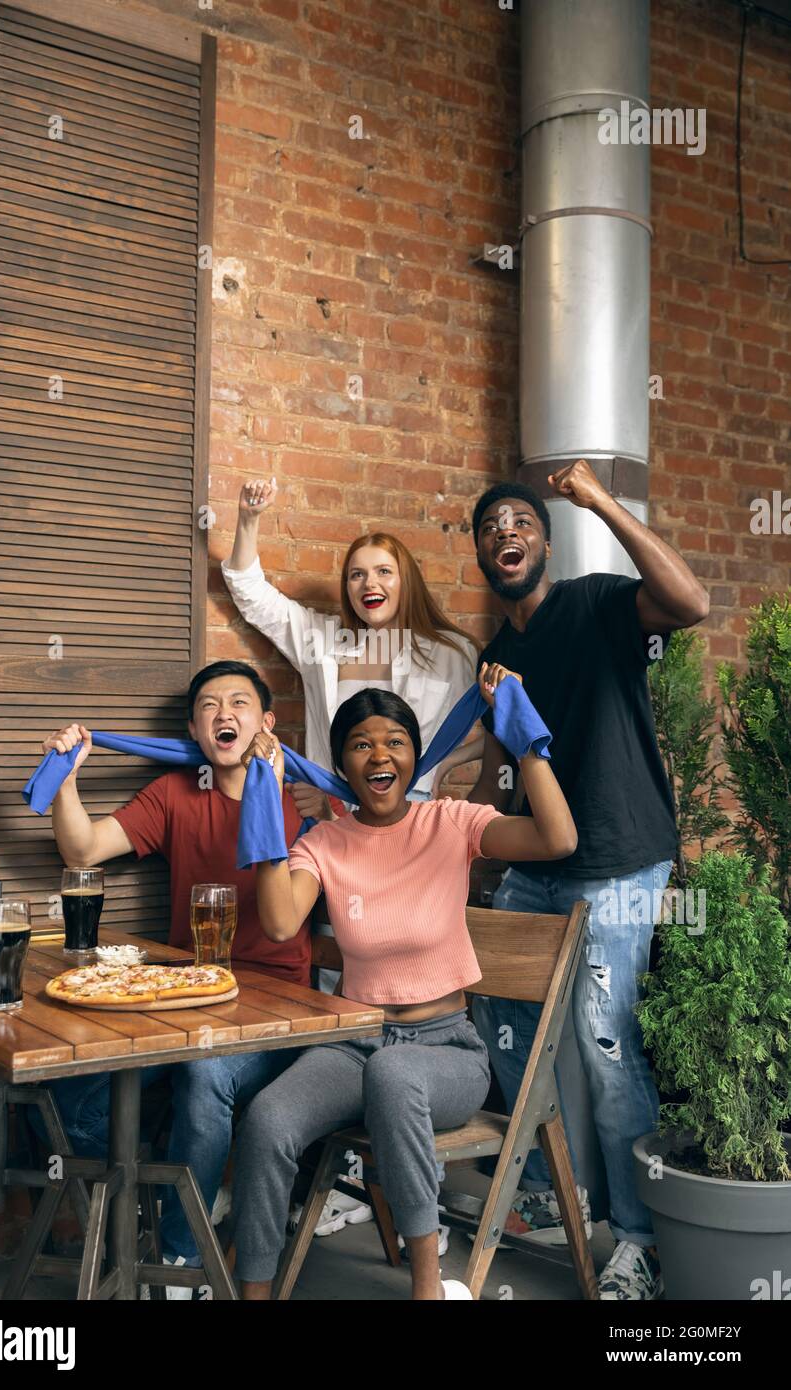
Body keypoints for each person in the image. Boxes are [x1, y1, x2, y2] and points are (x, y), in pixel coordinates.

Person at [230, 673, 578, 1300]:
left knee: (394, 1075)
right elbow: (281, 921)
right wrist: (262, 788)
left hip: (445, 1050)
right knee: (267, 1118)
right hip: (356, 1042)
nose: (379, 755)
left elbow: (558, 838)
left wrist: (525, 735)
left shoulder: (451, 822)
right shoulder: (326, 842)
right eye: (361, 745)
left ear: (416, 755)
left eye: (395, 741)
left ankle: (428, 1290)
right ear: (342, 764)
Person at [467, 461, 710, 1300]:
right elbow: (494, 785)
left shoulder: (598, 603)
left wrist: (601, 500)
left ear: (543, 541)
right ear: (481, 555)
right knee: (493, 1006)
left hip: (616, 859)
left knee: (605, 1044)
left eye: (520, 522)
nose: (506, 532)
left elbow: (690, 604)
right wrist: (442, 842)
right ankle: (548, 1187)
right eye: (491, 527)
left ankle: (635, 1241)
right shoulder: (495, 656)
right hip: (535, 866)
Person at [39, 660, 337, 1295]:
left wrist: (320, 811)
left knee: (203, 1074)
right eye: (208, 706)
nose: (223, 713)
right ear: (196, 731)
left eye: (238, 702)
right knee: (71, 1077)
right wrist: (66, 777)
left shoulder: (305, 802)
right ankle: (143, 1210)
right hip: (186, 993)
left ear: (266, 723)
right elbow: (84, 850)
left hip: (278, 1008)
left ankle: (178, 1259)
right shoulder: (176, 793)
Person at [222, 477, 484, 802]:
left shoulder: (453, 652)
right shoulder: (322, 640)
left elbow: (498, 731)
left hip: (411, 814)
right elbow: (251, 594)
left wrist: (440, 767)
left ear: (407, 581)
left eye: (384, 572)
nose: (369, 583)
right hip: (331, 817)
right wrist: (249, 519)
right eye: (357, 575)